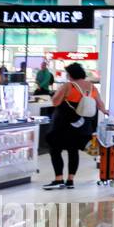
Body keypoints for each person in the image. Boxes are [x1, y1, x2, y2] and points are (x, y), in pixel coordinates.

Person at [43, 62, 107, 190]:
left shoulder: (68, 86)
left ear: (71, 74)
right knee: (73, 151)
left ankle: (58, 179)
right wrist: (106, 112)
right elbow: (100, 105)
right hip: (82, 125)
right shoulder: (92, 87)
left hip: (63, 125)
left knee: (55, 150)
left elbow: (55, 102)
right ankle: (70, 180)